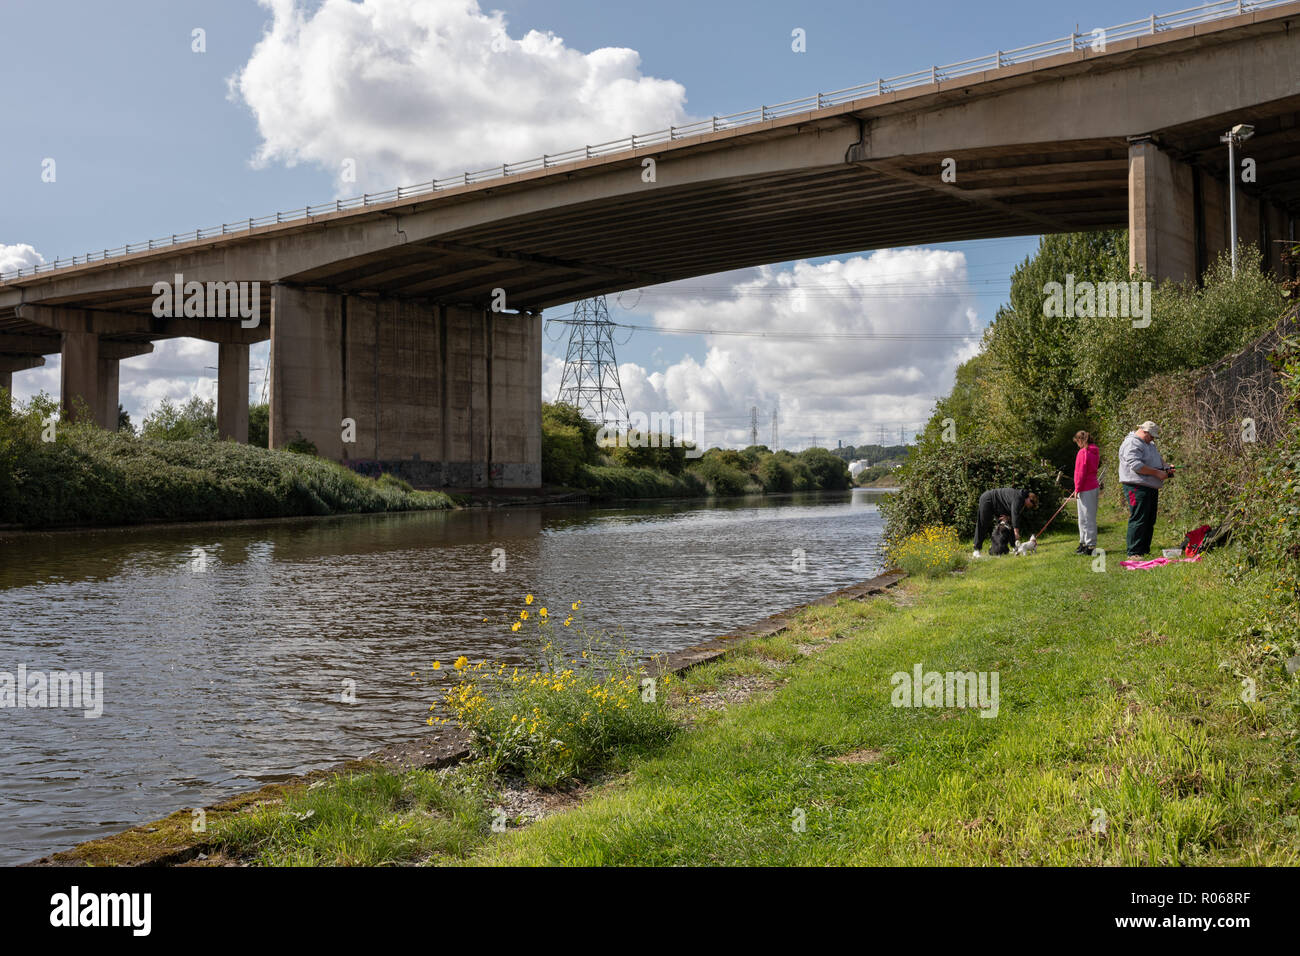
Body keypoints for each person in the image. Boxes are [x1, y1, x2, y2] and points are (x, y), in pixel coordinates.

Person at [1119, 420, 1174, 558]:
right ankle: (1134, 552)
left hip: (1150, 486)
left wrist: (1166, 467)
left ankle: (1144, 550)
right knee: (1138, 518)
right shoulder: (1132, 442)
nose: (1153, 439)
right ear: (1144, 431)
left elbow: (1158, 459)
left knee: (1149, 519)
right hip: (1135, 487)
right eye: (1152, 436)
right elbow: (1136, 465)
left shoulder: (1149, 444)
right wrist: (1157, 473)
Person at [972, 487, 1039, 558]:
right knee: (983, 524)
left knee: (1008, 524)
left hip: (998, 504)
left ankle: (1014, 547)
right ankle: (976, 550)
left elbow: (1013, 515)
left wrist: (1008, 518)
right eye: (1032, 505)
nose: (1030, 507)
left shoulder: (1022, 499)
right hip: (988, 499)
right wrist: (1016, 532)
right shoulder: (1019, 498)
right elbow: (1015, 515)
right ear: (1029, 499)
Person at [1072, 431, 1100, 555]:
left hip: (1086, 487)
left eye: (1077, 442)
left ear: (1080, 440)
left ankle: (1090, 545)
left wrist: (1077, 488)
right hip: (1091, 486)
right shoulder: (1094, 451)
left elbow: (1080, 472)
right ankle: (1083, 542)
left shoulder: (1083, 452)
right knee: (1084, 517)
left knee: (1087, 518)